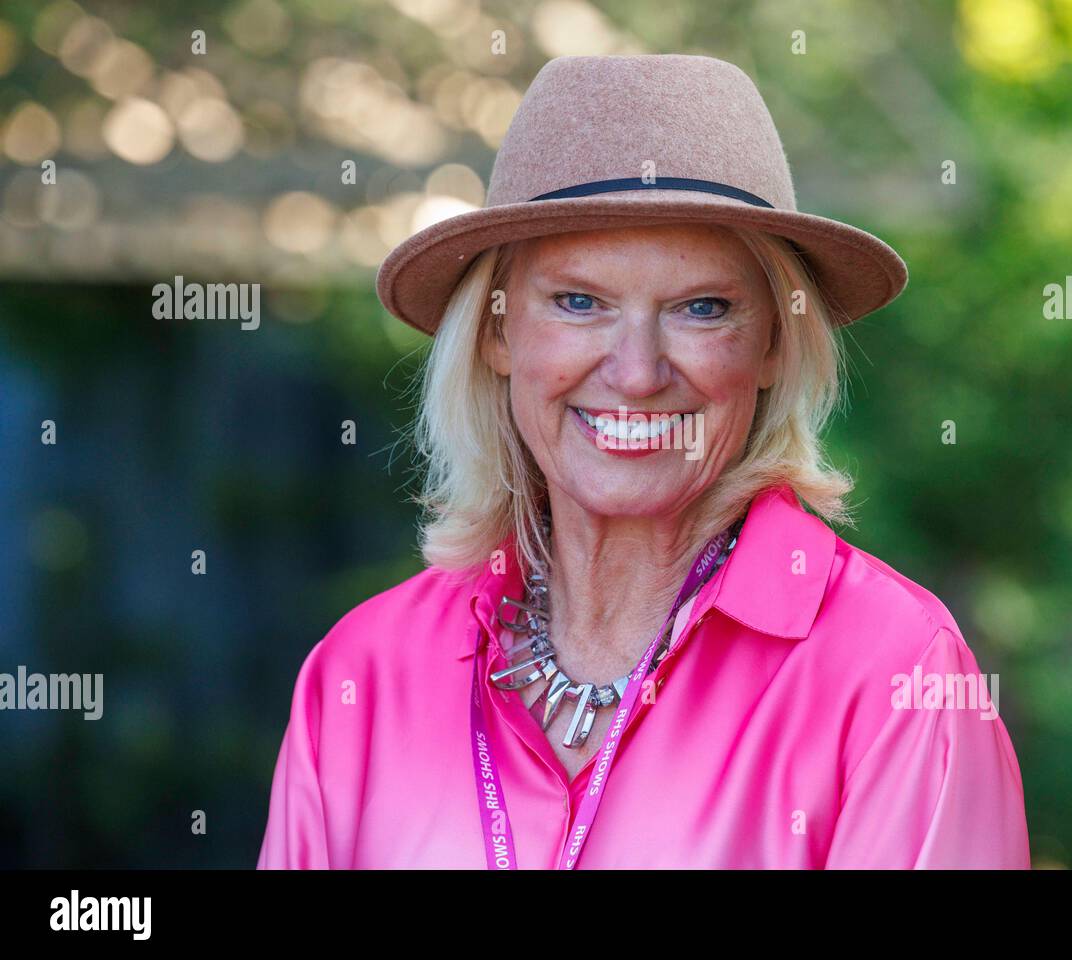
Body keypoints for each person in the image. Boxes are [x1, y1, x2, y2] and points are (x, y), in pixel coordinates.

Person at [255, 53, 1030, 869]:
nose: (636, 372)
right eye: (579, 302)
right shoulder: (363, 673)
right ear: (496, 334)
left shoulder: (895, 674)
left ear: (772, 342)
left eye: (702, 308)